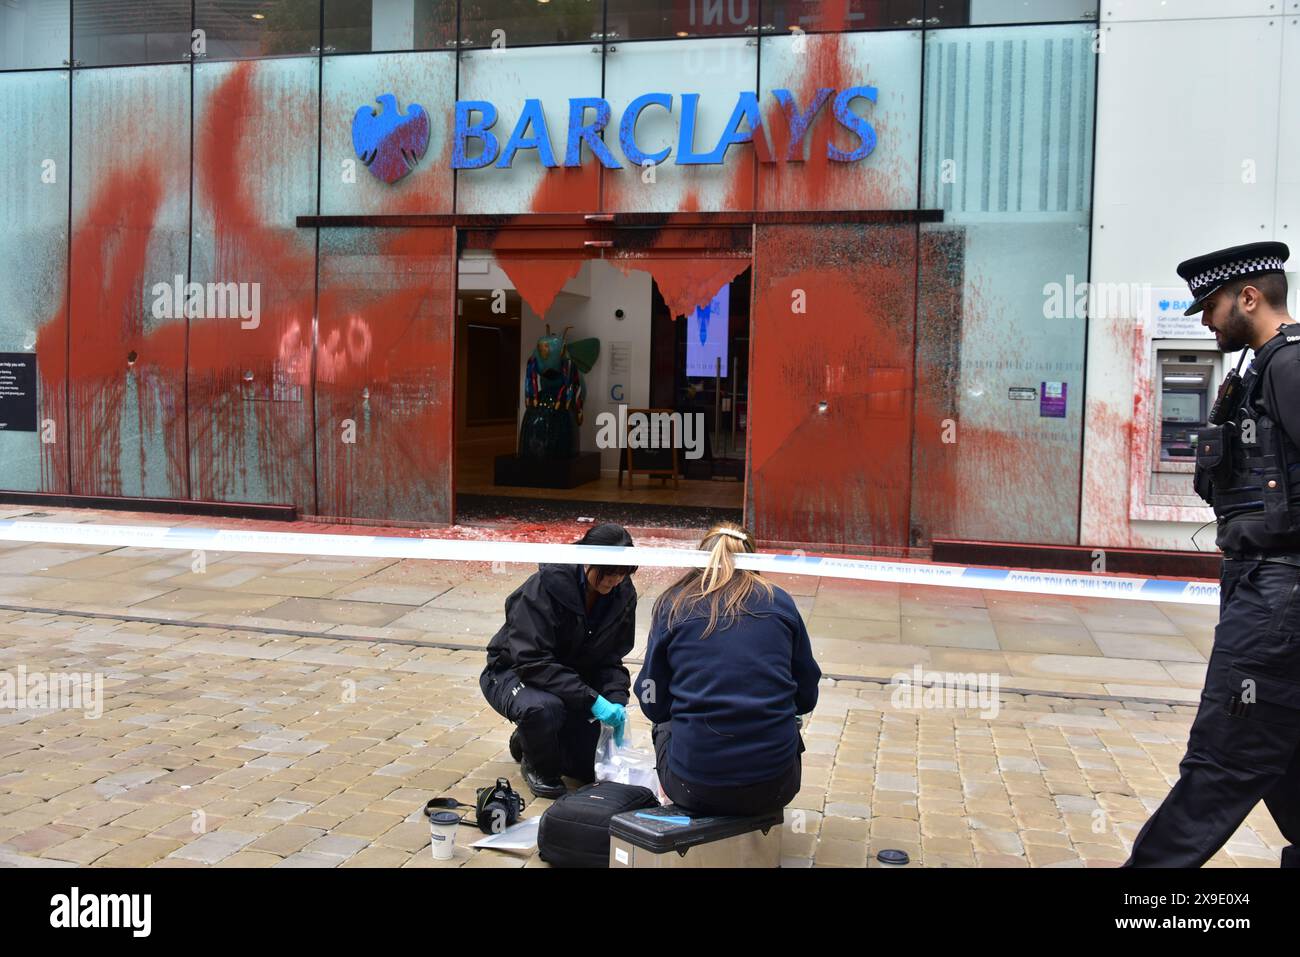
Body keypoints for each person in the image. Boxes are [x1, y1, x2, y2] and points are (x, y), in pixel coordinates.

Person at [1125, 241, 1300, 867]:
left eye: (1212, 306)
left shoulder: (1288, 366)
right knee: (1281, 753)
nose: (1204, 319)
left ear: (1249, 298)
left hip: (1279, 597)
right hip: (1265, 587)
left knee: (1224, 758)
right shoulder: (1256, 371)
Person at [633, 522, 821, 816]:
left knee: (664, 721)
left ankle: (674, 792)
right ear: (753, 557)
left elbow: (652, 699)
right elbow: (807, 693)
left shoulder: (674, 604)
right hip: (776, 785)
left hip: (693, 787)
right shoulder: (780, 602)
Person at [480, 523, 638, 799]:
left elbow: (612, 657)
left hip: (568, 676)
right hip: (513, 672)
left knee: (589, 768)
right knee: (544, 709)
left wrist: (615, 699)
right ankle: (538, 764)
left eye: (622, 574)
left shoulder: (622, 595)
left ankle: (533, 740)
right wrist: (591, 700)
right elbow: (531, 661)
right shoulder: (545, 586)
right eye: (608, 573)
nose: (613, 581)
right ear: (587, 559)